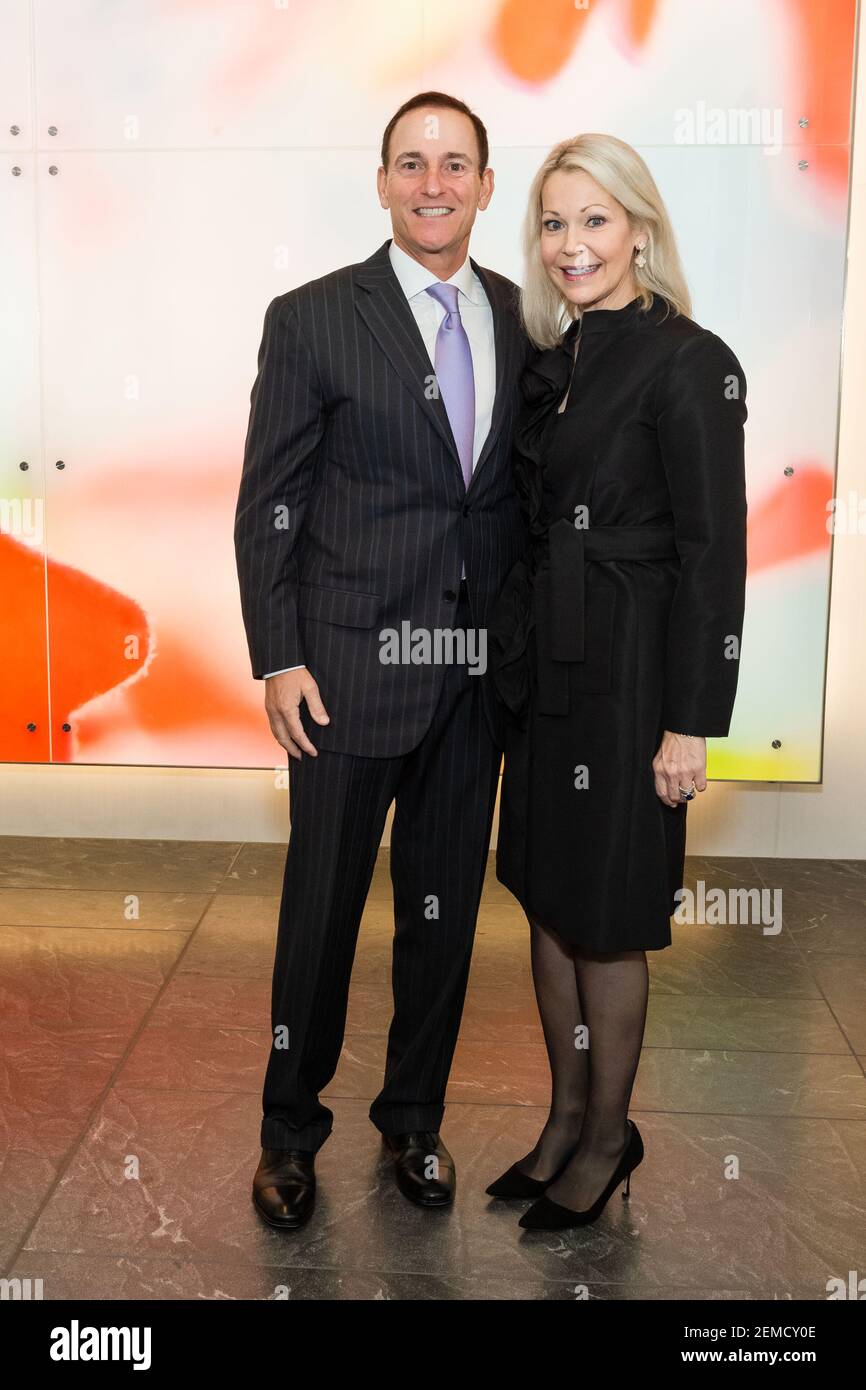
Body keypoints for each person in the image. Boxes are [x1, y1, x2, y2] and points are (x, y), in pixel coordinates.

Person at [234, 92, 531, 1229]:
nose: (432, 182)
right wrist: (279, 656)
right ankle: (286, 1131)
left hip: (468, 681)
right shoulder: (311, 317)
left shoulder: (518, 315)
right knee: (319, 916)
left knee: (442, 918)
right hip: (346, 676)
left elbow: (507, 499)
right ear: (381, 181)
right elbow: (270, 501)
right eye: (411, 162)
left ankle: (413, 1120)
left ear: (485, 186)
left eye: (455, 164)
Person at [485, 133, 748, 1231]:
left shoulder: (688, 359)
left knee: (607, 918)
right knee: (548, 899)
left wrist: (689, 724)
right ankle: (560, 1119)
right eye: (552, 222)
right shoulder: (559, 355)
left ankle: (607, 1136)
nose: (570, 245)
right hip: (552, 660)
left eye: (593, 220)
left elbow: (712, 551)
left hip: (635, 673)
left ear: (638, 228)